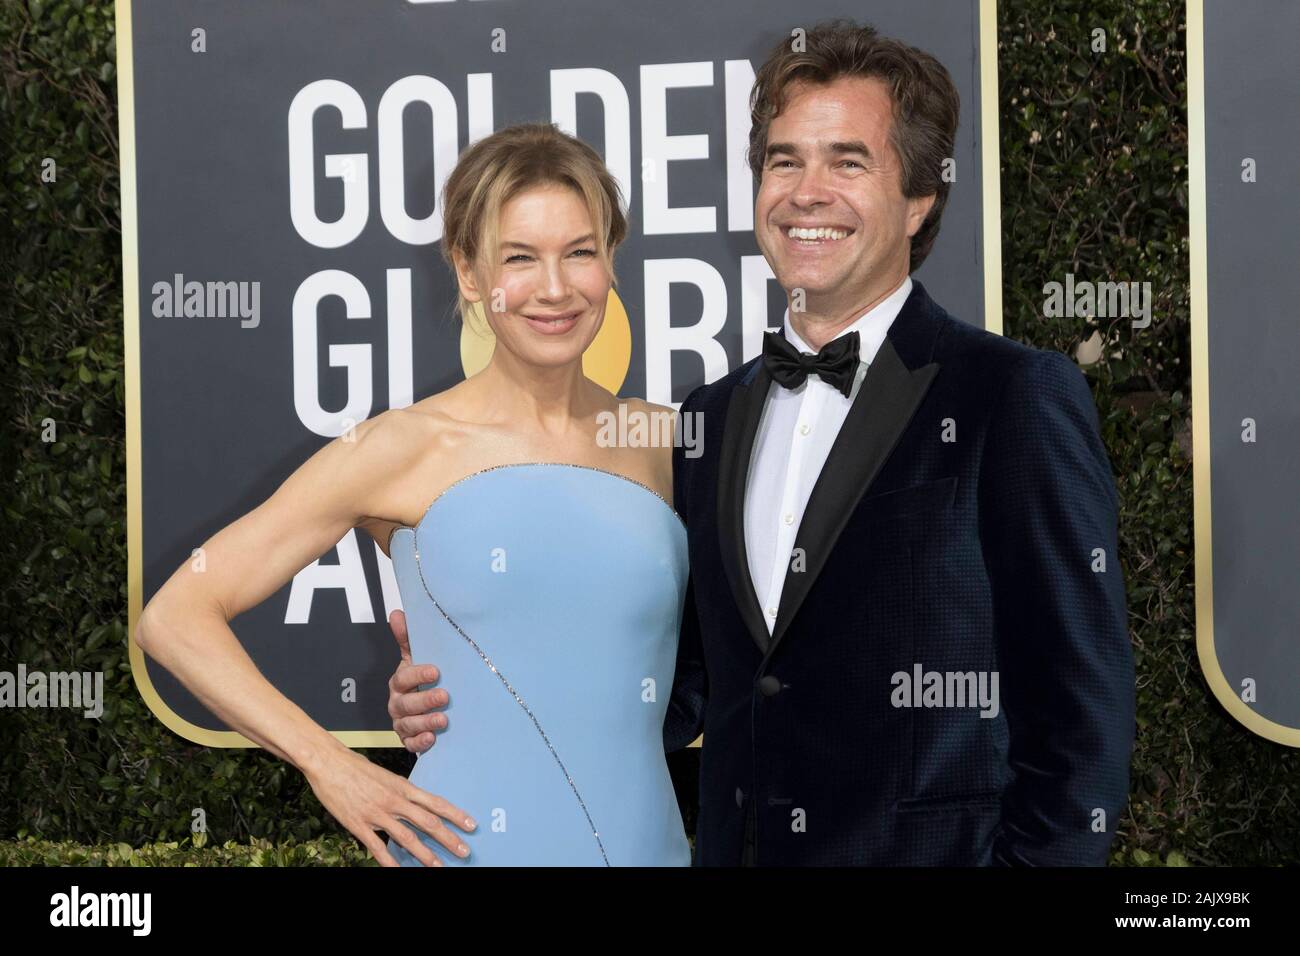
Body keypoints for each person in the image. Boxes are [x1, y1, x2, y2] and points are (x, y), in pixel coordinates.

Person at [389, 20, 1135, 866]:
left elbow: (1082, 714)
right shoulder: (710, 416)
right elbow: (686, 689)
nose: (806, 192)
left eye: (847, 162)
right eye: (784, 160)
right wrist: (474, 692)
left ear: (920, 197)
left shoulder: (1012, 395)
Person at [135, 122, 691, 867]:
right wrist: (331, 765)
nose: (555, 288)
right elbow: (175, 618)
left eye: (580, 252)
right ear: (468, 273)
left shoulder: (665, 441)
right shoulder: (402, 448)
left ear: (610, 261)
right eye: (518, 258)